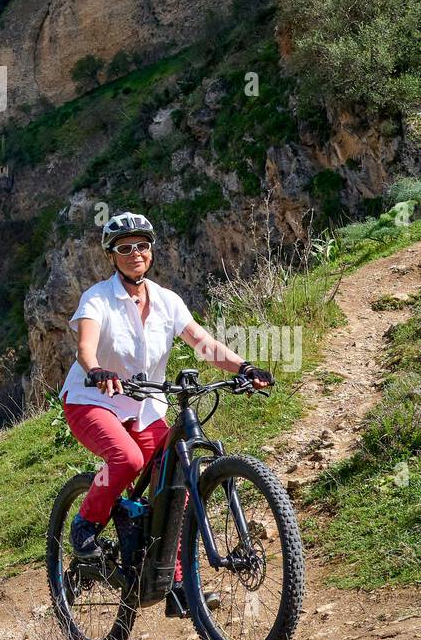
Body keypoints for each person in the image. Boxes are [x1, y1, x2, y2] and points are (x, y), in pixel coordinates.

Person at [59, 211, 273, 617]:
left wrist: (244, 368)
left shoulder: (167, 301)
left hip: (144, 405)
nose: (134, 253)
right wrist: (97, 370)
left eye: (141, 245)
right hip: (93, 400)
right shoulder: (98, 299)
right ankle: (85, 524)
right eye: (124, 248)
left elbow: (204, 344)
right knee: (127, 459)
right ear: (112, 256)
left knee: (177, 480)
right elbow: (85, 346)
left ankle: (176, 584)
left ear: (151, 251)